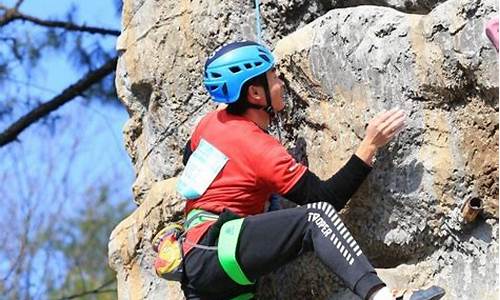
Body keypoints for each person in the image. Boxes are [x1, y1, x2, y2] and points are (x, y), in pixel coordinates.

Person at [156, 41, 442, 300]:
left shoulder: (209, 123)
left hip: (197, 265)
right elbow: (326, 199)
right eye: (274, 77)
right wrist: (369, 145)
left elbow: (188, 155)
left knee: (276, 208)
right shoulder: (258, 148)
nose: (281, 83)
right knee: (315, 218)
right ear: (256, 93)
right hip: (218, 248)